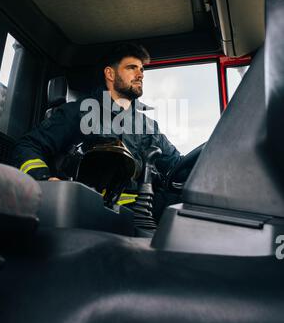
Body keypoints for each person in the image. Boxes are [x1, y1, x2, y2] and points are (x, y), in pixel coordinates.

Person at [12, 43, 191, 217]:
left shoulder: (149, 127)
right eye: (132, 68)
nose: (140, 74)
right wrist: (44, 180)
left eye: (142, 69)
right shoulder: (80, 112)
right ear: (110, 74)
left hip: (143, 209)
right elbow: (28, 145)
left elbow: (177, 166)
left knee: (191, 205)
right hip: (93, 210)